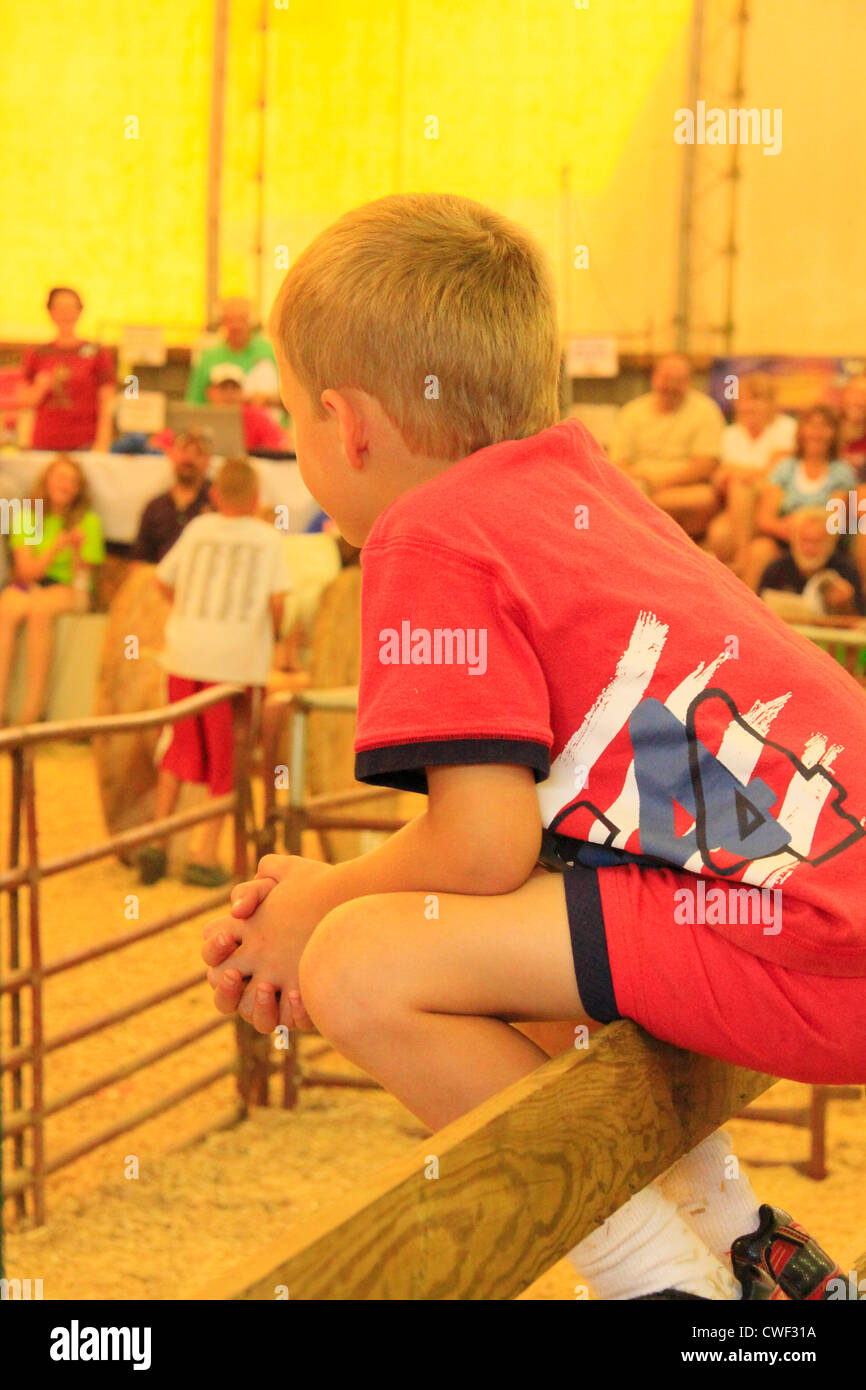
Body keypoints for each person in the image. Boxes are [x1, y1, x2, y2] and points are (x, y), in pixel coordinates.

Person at [202, 193, 862, 1302]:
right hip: (817, 910)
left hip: (809, 941)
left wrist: (320, 899)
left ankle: (660, 1288)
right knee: (498, 950)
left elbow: (476, 847)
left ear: (345, 423)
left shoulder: (428, 532)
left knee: (359, 964)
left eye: (292, 419)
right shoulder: (580, 485)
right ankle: (752, 1250)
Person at [138, 458, 291, 887]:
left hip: (185, 655)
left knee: (177, 747)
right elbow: (278, 602)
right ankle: (204, 855)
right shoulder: (266, 538)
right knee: (230, 757)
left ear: (216, 495)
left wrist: (189, 614)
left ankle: (158, 841)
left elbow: (162, 580)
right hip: (237, 665)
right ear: (257, 499)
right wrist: (275, 637)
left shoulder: (199, 529)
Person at [0, 455, 104, 723]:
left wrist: (77, 550)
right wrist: (56, 547)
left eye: (73, 481)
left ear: (79, 489)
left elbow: (82, 579)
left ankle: (32, 712)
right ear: (46, 481)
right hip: (32, 583)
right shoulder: (29, 515)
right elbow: (26, 571)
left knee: (40, 610)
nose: (66, 485)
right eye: (60, 478)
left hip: (68, 588)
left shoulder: (87, 521)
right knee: (7, 608)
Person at [739, 403, 857, 591]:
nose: (817, 433)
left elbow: (835, 521)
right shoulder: (785, 468)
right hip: (785, 540)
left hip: (824, 544)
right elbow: (765, 518)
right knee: (760, 550)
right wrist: (785, 529)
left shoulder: (842, 472)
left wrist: (806, 529)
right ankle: (745, 611)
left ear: (834, 433)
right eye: (811, 425)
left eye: (825, 426)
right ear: (801, 431)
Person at [610, 353, 724, 537]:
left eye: (678, 380)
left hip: (684, 490)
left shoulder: (706, 411)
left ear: (688, 382)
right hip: (638, 486)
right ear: (654, 378)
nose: (670, 386)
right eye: (666, 379)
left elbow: (706, 465)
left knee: (706, 498)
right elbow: (618, 462)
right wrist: (643, 484)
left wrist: (659, 483)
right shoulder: (631, 412)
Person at [706, 374, 796, 570]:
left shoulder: (787, 428)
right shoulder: (730, 434)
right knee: (718, 534)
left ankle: (742, 558)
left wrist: (738, 473)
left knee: (741, 487)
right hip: (736, 509)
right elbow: (720, 478)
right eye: (745, 400)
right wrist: (749, 474)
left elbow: (777, 473)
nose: (750, 407)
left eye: (758, 400)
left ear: (772, 404)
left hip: (773, 505)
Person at [18, 288, 116, 452]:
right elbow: (23, 400)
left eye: (71, 308)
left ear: (79, 312)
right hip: (44, 442)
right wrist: (40, 387)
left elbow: (107, 401)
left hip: (85, 443)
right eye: (60, 308)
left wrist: (103, 442)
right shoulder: (37, 353)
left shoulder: (96, 353)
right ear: (50, 312)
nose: (66, 314)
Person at [129, 430, 212, 565]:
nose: (188, 458)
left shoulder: (217, 505)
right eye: (184, 451)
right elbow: (139, 560)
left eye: (197, 453)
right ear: (171, 455)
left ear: (208, 461)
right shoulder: (155, 507)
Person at [185, 297, 279, 405]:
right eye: (230, 320)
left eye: (241, 319)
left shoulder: (271, 351)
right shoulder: (208, 358)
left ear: (251, 321)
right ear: (221, 322)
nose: (236, 326)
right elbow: (194, 403)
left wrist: (266, 400)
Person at [205, 363, 293, 453]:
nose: (229, 393)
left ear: (242, 391)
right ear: (210, 392)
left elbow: (284, 445)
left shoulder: (257, 415)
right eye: (223, 388)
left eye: (235, 388)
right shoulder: (202, 419)